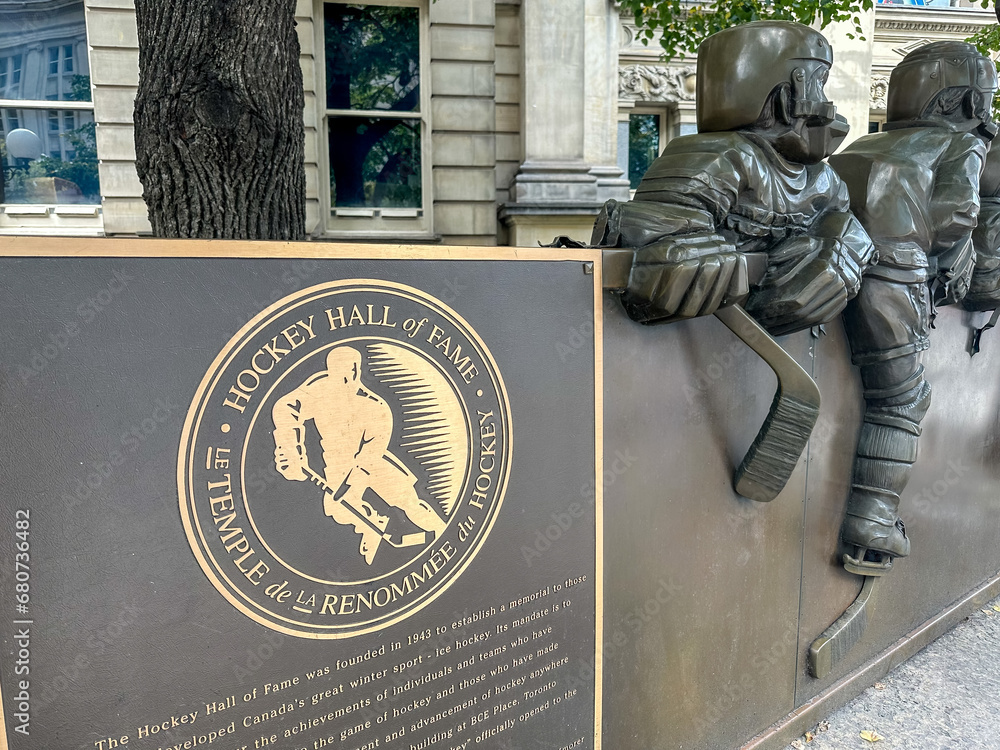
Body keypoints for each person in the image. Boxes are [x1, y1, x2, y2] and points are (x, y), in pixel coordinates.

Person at [828, 41, 998, 575]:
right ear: (968, 102)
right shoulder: (961, 146)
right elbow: (955, 212)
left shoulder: (862, 144)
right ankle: (872, 517)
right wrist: (958, 255)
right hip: (895, 273)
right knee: (900, 398)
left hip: (839, 264)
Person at [597, 20, 874, 336]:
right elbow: (652, 256)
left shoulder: (823, 178)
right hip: (697, 347)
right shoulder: (719, 157)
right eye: (818, 84)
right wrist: (688, 261)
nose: (827, 106)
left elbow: (846, 226)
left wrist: (840, 253)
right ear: (783, 97)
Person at [272, 346, 446, 565]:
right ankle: (372, 524)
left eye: (350, 372)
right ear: (329, 371)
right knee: (336, 508)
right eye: (339, 373)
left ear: (357, 371)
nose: (346, 379)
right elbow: (285, 408)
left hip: (373, 464)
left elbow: (368, 459)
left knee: (408, 500)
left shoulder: (376, 408)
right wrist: (291, 450)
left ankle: (441, 530)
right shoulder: (319, 389)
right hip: (336, 465)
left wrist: (351, 486)